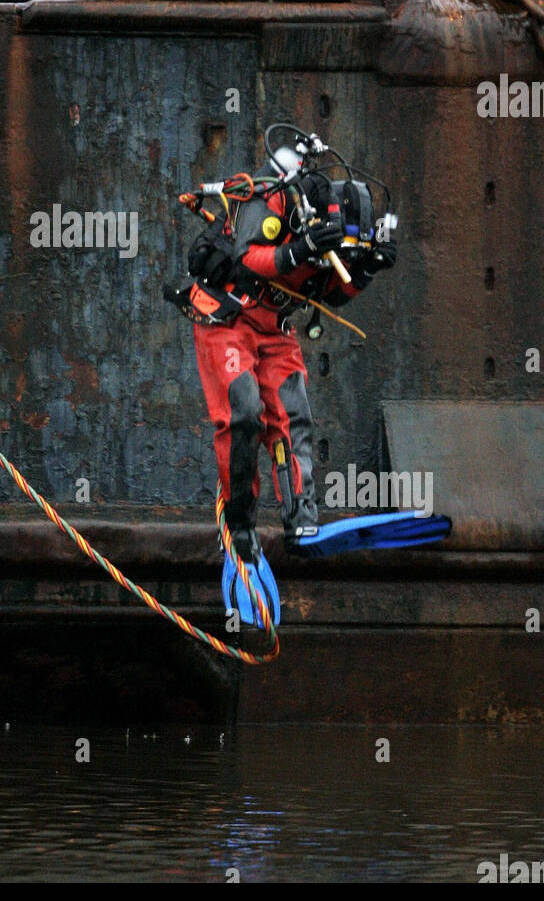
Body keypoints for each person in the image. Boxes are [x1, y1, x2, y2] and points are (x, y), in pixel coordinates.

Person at [165, 127, 399, 627]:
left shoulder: (340, 236)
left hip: (275, 328)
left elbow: (331, 293)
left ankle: (302, 522)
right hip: (227, 318)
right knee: (243, 414)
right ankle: (242, 527)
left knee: (294, 421)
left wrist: (365, 271)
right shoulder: (273, 202)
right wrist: (299, 248)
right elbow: (248, 256)